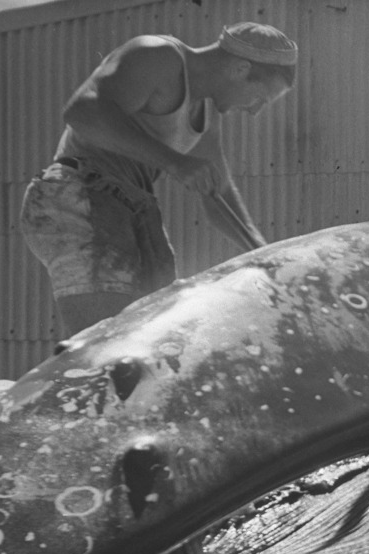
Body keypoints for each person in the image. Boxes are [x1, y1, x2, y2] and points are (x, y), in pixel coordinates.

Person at [19, 23, 297, 342]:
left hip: (133, 209)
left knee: (154, 338)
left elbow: (217, 192)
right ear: (240, 68)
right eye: (261, 98)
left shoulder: (206, 114)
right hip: (79, 193)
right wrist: (174, 161)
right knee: (102, 345)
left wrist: (264, 255)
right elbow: (82, 112)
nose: (255, 112)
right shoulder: (157, 57)